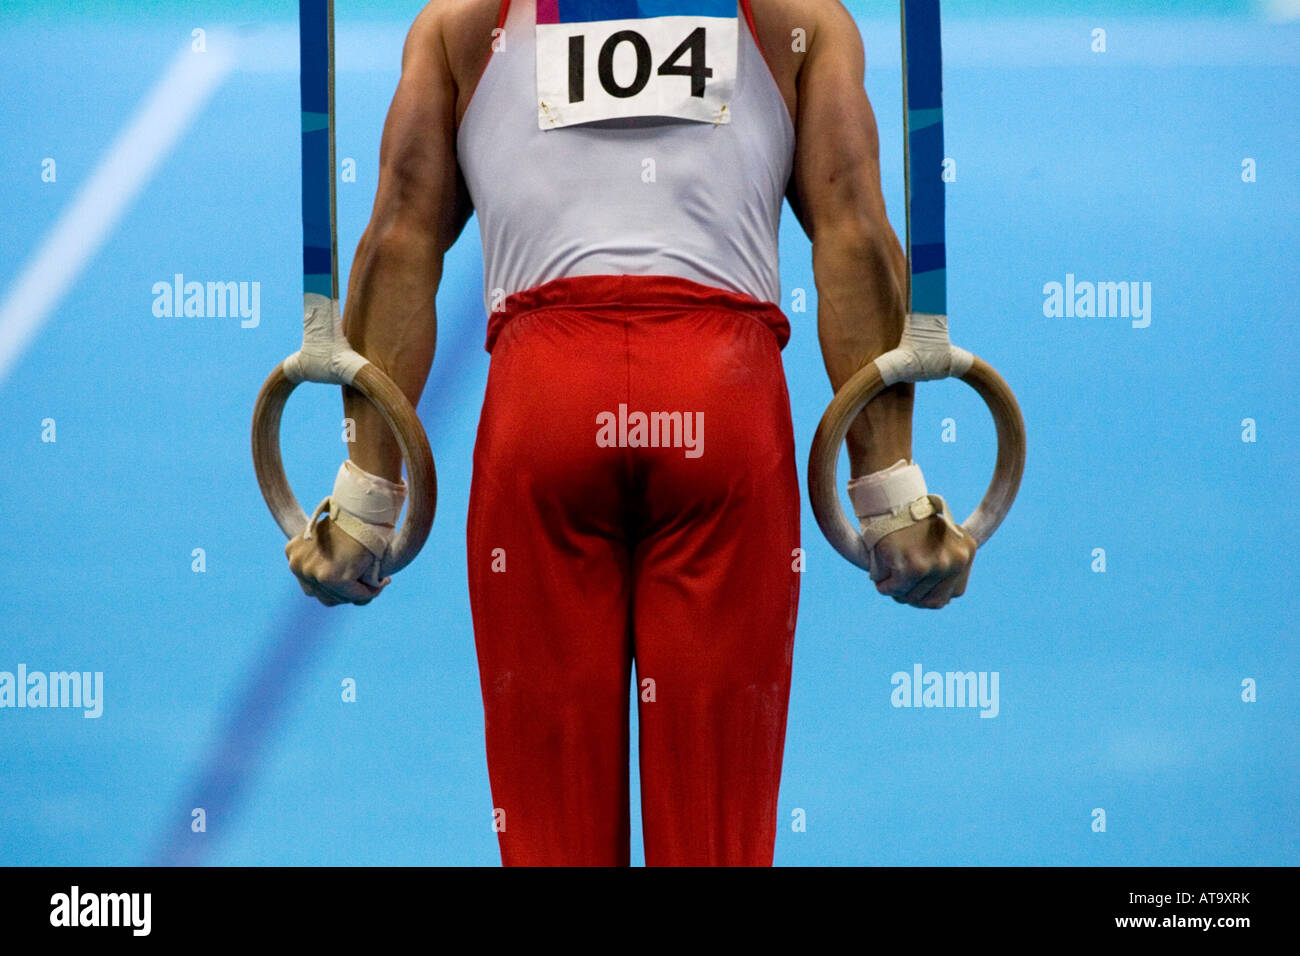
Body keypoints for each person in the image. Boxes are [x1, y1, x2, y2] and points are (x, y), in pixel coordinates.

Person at [284, 0, 976, 866]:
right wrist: (891, 495)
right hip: (722, 404)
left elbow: (401, 236)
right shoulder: (798, 22)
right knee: (717, 835)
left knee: (550, 830)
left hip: (544, 408)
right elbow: (853, 234)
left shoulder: (462, 24)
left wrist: (365, 496)